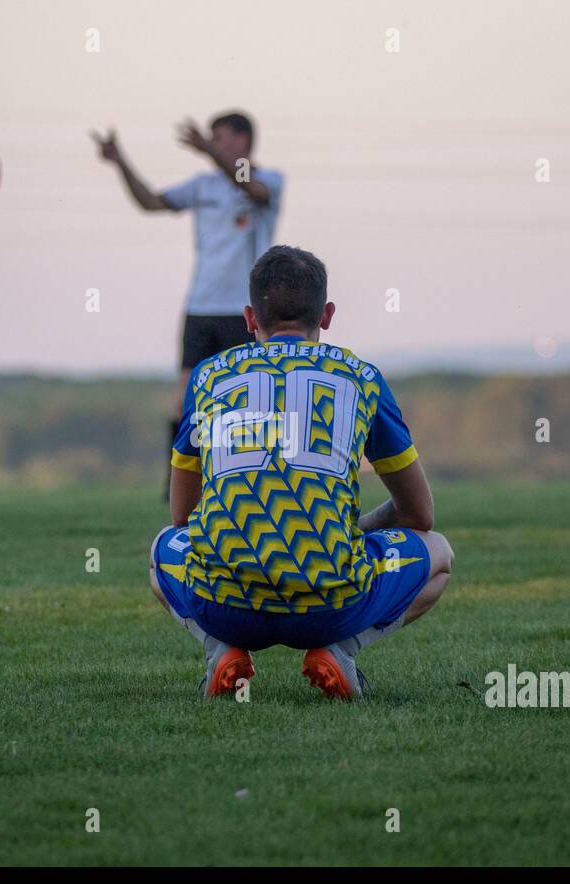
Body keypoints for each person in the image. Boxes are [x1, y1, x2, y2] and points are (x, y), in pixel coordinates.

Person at [150, 246, 453, 698]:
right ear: (327, 315)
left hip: (225, 604)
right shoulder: (363, 378)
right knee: (439, 553)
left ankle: (221, 650)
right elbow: (419, 515)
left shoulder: (208, 377)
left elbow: (181, 514)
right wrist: (357, 528)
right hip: (330, 605)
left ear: (251, 318)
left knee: (161, 547)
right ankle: (340, 650)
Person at [90, 112, 283, 491]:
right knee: (184, 403)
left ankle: (246, 480)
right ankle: (176, 484)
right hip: (200, 308)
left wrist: (209, 150)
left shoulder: (268, 180)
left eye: (221, 138)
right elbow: (150, 202)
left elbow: (250, 186)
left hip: (244, 309)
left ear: (243, 141)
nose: (214, 144)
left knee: (246, 404)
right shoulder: (203, 185)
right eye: (212, 139)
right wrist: (120, 161)